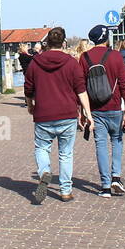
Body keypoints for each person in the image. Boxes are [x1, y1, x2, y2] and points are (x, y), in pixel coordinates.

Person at [24, 26, 92, 203]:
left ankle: (44, 172)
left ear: (47, 42)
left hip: (44, 114)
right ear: (63, 43)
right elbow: (81, 90)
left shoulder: (35, 63)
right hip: (67, 114)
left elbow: (28, 89)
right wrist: (88, 113)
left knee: (42, 148)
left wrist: (30, 105)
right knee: (66, 153)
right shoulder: (71, 63)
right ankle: (65, 191)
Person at [83, 25, 125, 198]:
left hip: (95, 109)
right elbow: (124, 83)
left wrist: (84, 113)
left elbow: (80, 87)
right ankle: (116, 177)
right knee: (117, 141)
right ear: (106, 38)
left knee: (101, 145)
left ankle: (104, 186)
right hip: (114, 106)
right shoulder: (116, 56)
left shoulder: (84, 57)